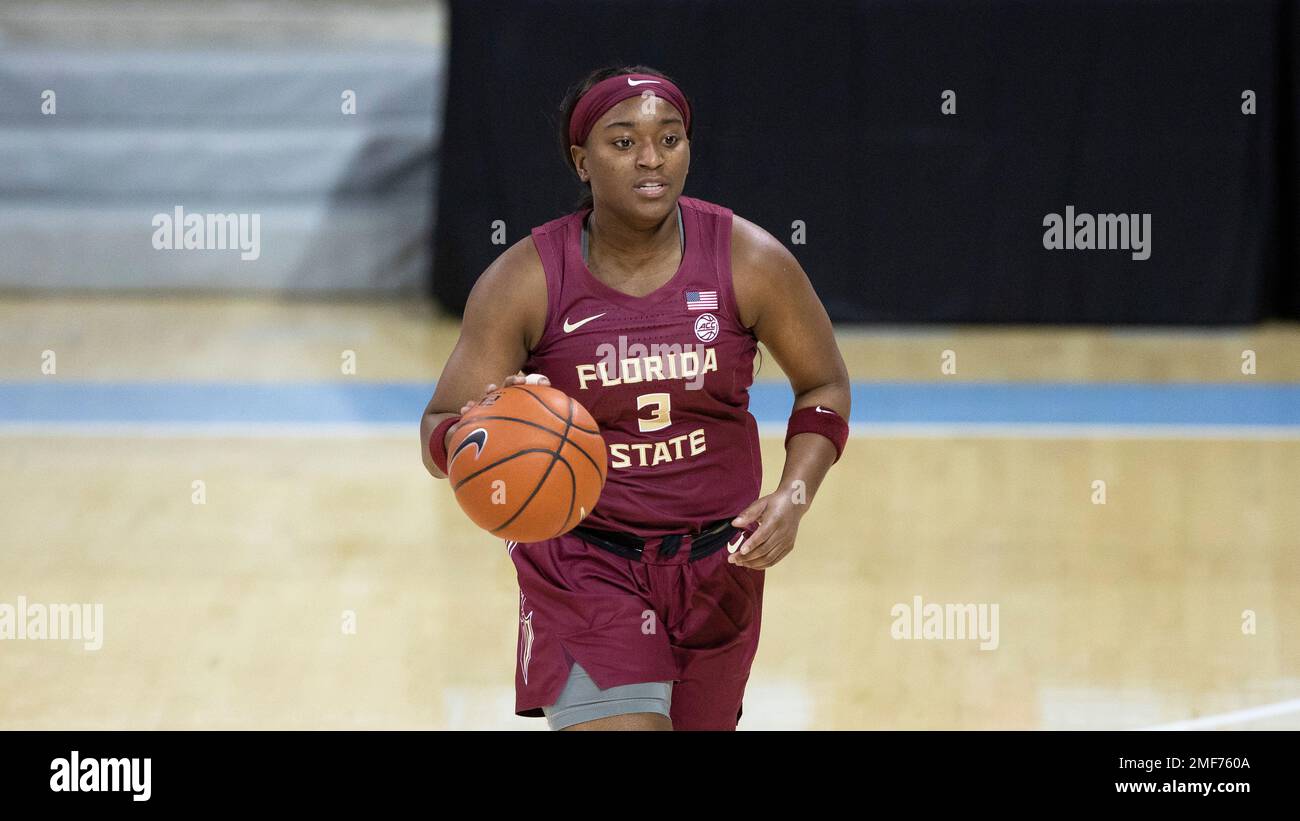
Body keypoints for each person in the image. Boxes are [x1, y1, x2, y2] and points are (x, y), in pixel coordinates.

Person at [420, 65, 850, 730]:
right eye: (623, 142)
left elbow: (823, 386)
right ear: (581, 161)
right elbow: (440, 425)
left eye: (670, 138)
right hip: (583, 562)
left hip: (718, 566)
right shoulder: (526, 279)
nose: (651, 158)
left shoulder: (750, 260)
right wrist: (484, 429)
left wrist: (794, 496)